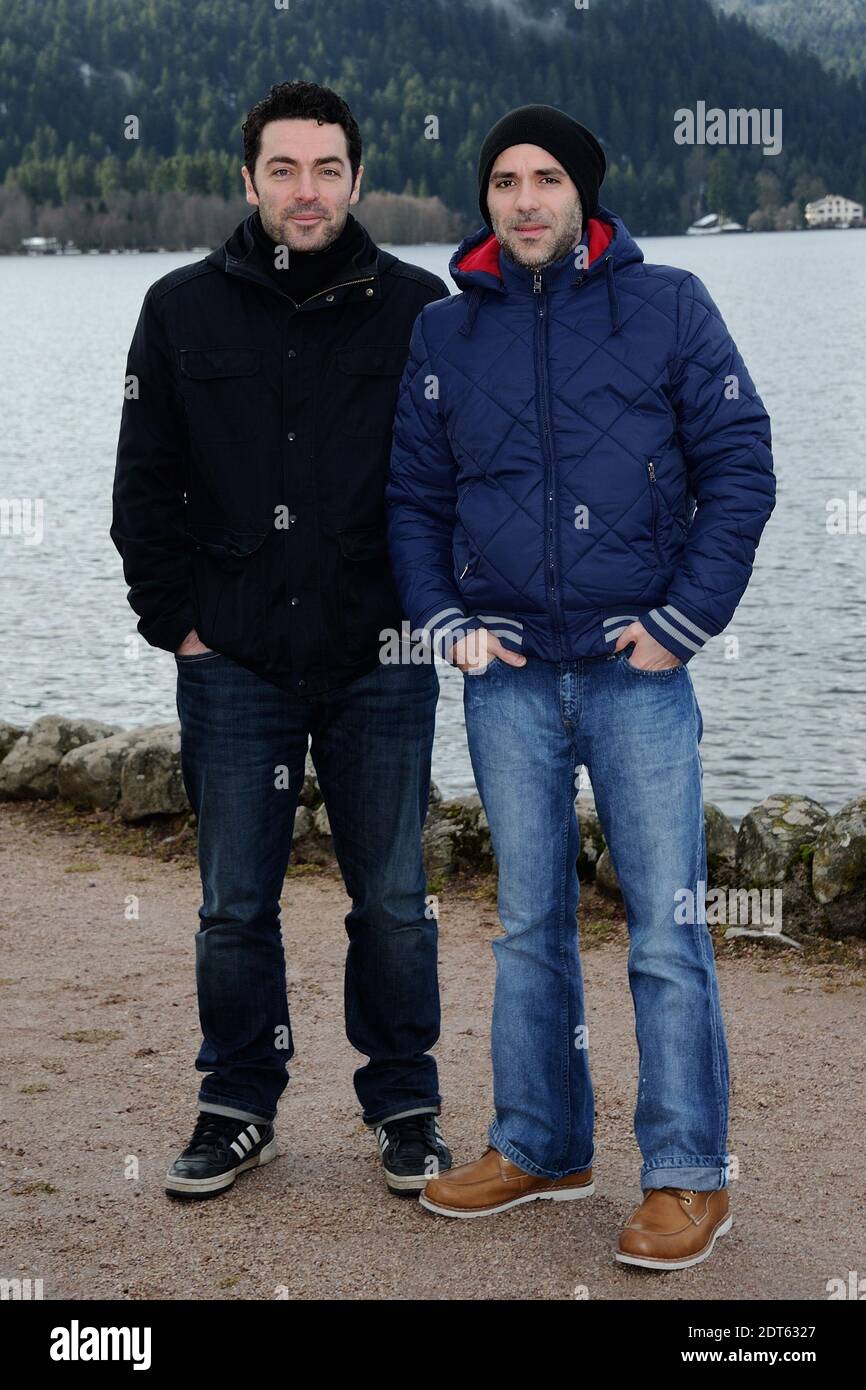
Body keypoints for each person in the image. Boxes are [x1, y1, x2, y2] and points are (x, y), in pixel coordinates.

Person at [386, 104, 775, 1267]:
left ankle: (686, 1175)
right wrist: (445, 623)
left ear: (583, 194)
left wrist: (683, 620)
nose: (523, 199)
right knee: (526, 926)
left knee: (664, 931)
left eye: (545, 177)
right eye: (503, 180)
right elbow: (410, 498)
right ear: (486, 199)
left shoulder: (668, 306)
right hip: (504, 673)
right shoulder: (446, 332)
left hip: (631, 668)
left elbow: (739, 468)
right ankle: (540, 1143)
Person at [112, 81, 452, 1201]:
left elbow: (457, 478)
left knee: (394, 898)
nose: (305, 191)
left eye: (326, 169)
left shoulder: (420, 307)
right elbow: (140, 492)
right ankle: (237, 1102)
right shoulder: (177, 311)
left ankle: (404, 1102)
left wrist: (435, 611)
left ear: (355, 178)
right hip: (238, 662)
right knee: (231, 904)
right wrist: (182, 630)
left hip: (380, 658)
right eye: (282, 169)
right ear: (248, 178)